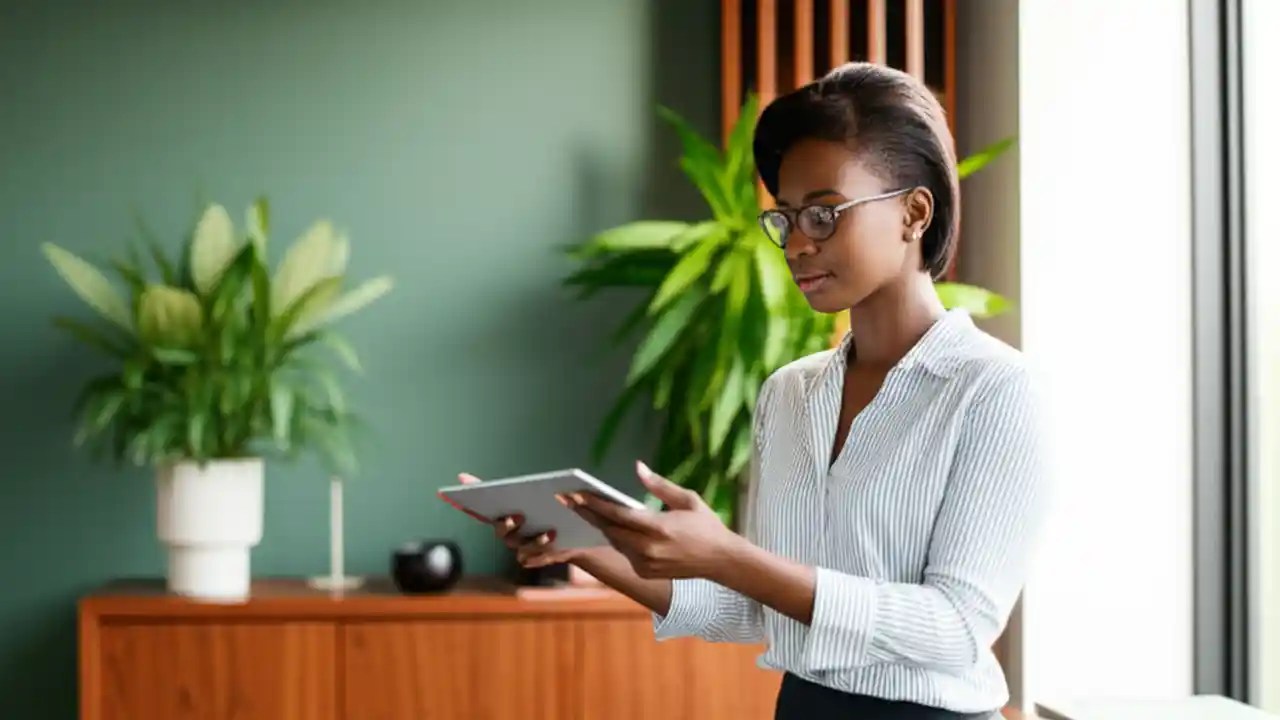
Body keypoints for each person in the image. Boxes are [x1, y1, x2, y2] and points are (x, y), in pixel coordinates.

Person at [458, 61, 1049, 720]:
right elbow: (753, 609)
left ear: (914, 212)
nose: (797, 243)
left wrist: (729, 554)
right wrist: (589, 548)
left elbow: (958, 629)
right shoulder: (790, 393)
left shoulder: (993, 390)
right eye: (788, 218)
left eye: (825, 214)